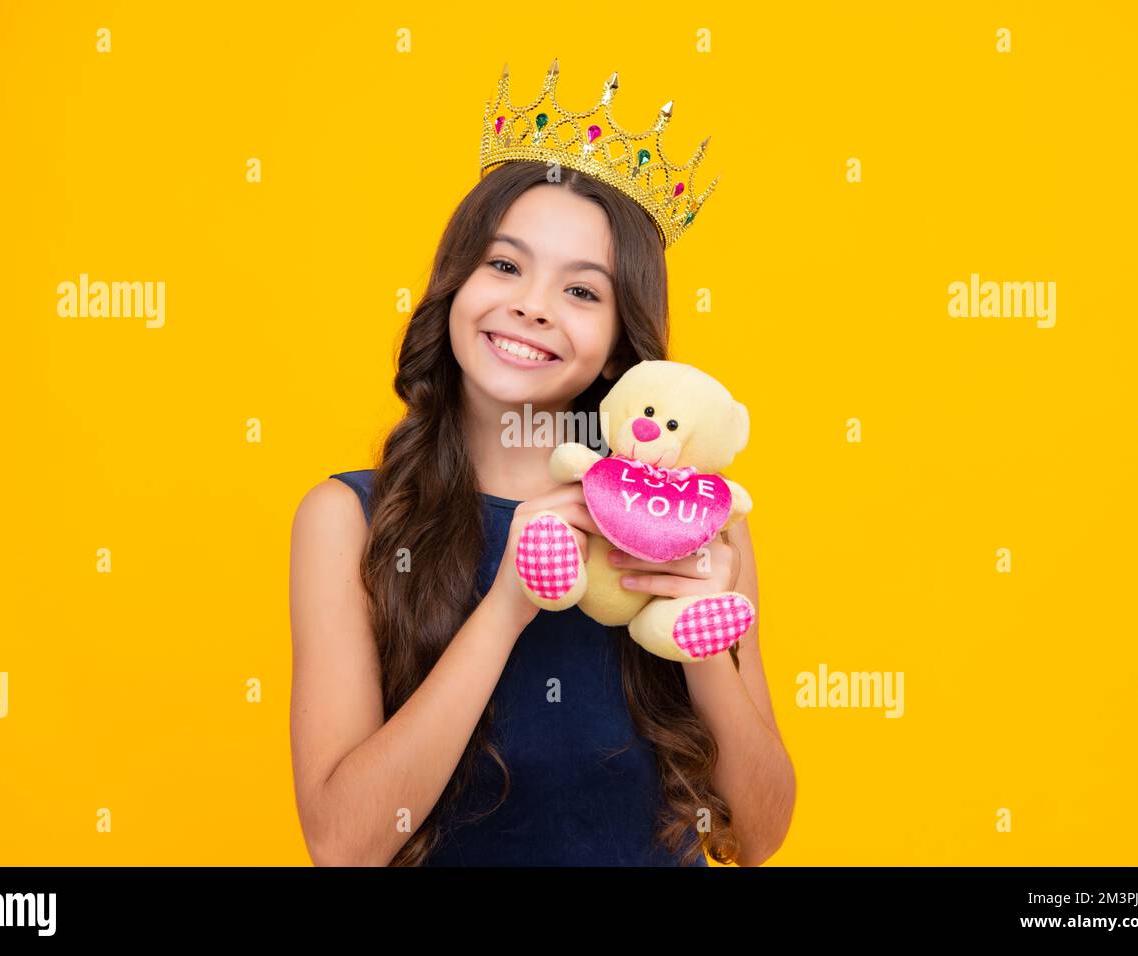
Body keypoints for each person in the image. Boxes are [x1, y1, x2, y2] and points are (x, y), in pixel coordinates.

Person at [289, 62, 795, 866]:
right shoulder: (347, 521)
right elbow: (345, 847)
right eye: (505, 265)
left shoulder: (699, 525)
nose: (533, 305)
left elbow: (758, 834)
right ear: (456, 284)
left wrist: (704, 650)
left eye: (583, 292)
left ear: (615, 350)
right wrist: (508, 606)